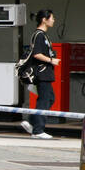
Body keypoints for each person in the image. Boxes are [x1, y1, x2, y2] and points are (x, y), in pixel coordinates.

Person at [21, 8, 60, 139]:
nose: (54, 20)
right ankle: (38, 130)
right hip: (42, 73)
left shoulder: (42, 35)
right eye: (52, 18)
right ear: (44, 20)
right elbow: (37, 54)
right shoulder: (39, 35)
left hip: (46, 73)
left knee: (49, 98)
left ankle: (32, 122)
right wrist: (51, 60)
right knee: (44, 100)